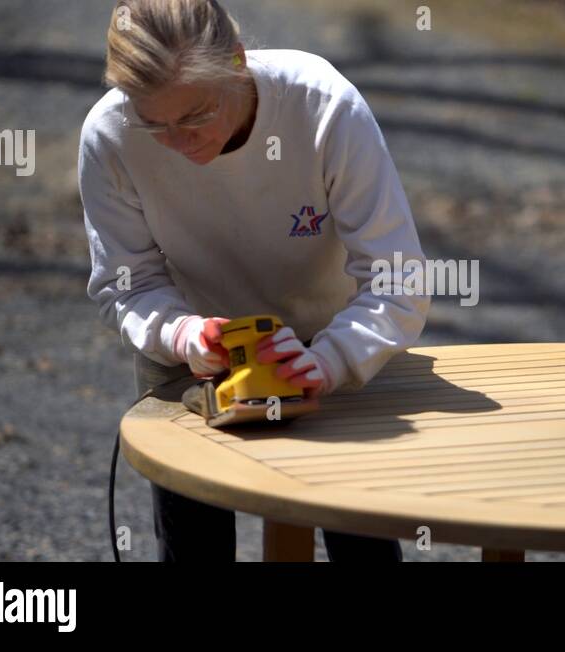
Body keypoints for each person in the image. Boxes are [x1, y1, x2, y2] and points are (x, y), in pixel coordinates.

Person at [79, 0, 430, 561]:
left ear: (238, 63)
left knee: (357, 538)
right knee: (194, 547)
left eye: (196, 115)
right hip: (189, 354)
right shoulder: (110, 134)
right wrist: (183, 336)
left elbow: (398, 281)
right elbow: (127, 283)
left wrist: (331, 362)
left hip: (329, 337)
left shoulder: (323, 104)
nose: (181, 141)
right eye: (155, 124)